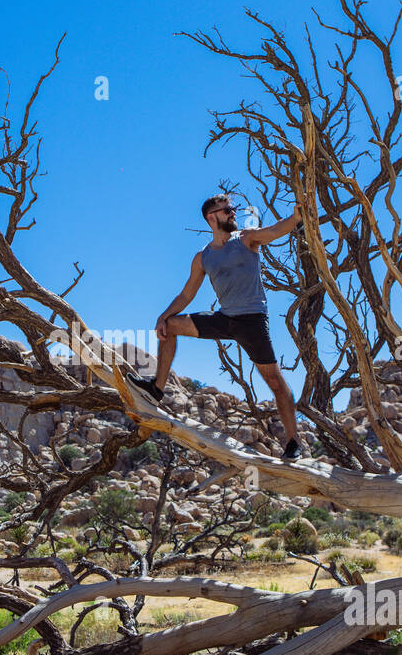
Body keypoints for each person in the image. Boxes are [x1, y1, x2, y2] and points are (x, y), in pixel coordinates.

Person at [126, 193, 304, 460]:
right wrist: (162, 317)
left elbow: (276, 230)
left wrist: (297, 218)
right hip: (224, 319)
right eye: (227, 210)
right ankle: (156, 389)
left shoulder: (247, 239)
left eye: (233, 209)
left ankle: (293, 442)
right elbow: (186, 295)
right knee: (171, 326)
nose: (233, 213)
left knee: (275, 383)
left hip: (252, 321)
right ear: (212, 217)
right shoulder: (203, 257)